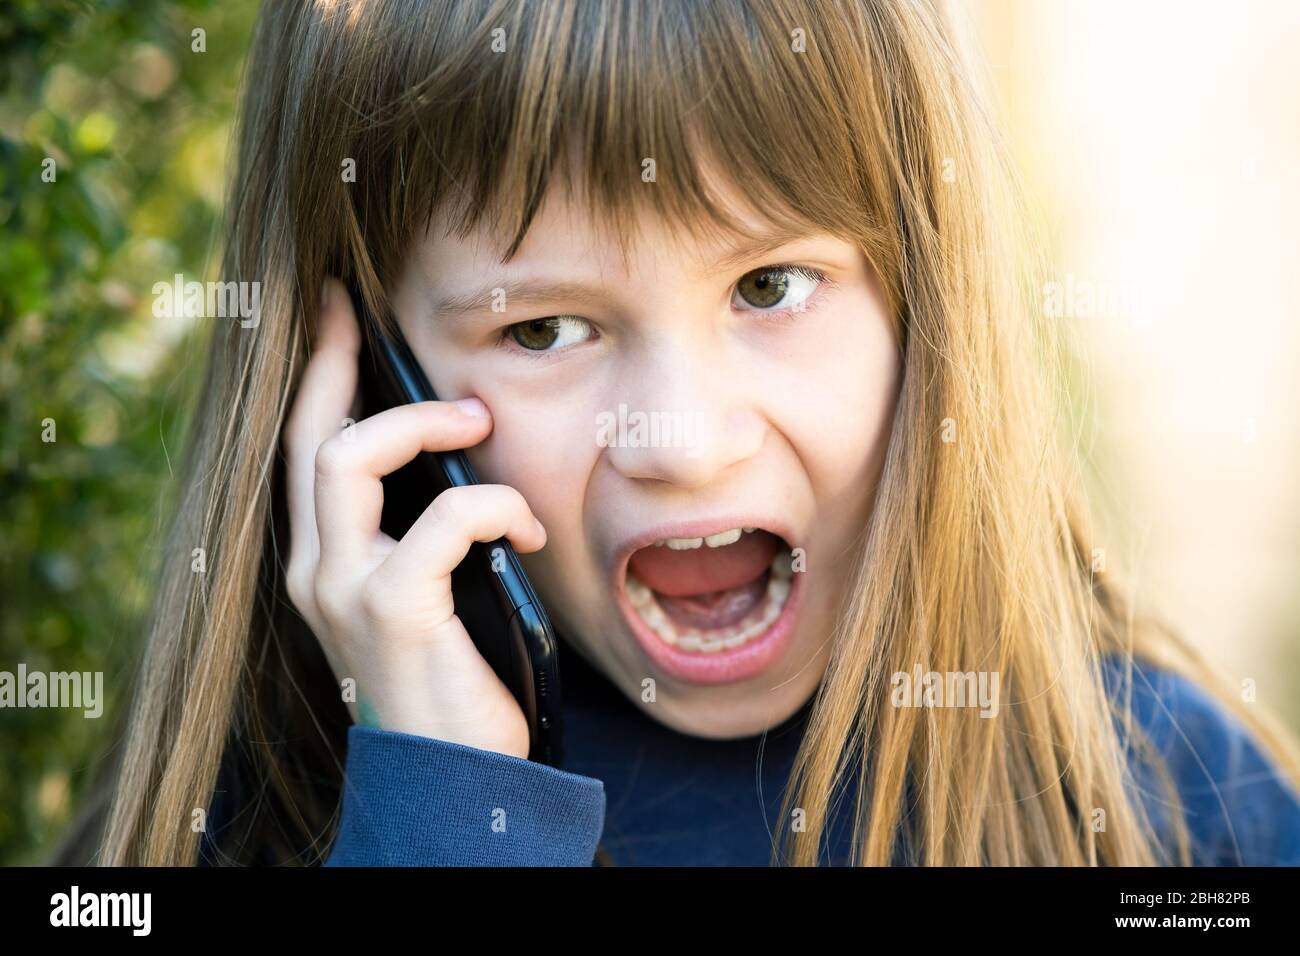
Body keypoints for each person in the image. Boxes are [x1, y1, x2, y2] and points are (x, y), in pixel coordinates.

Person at [57, 0, 1300, 867]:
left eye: (770, 287)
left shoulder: (1179, 801)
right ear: (364, 382)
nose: (685, 440)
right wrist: (448, 818)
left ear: (929, 299)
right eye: (542, 328)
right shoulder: (254, 815)